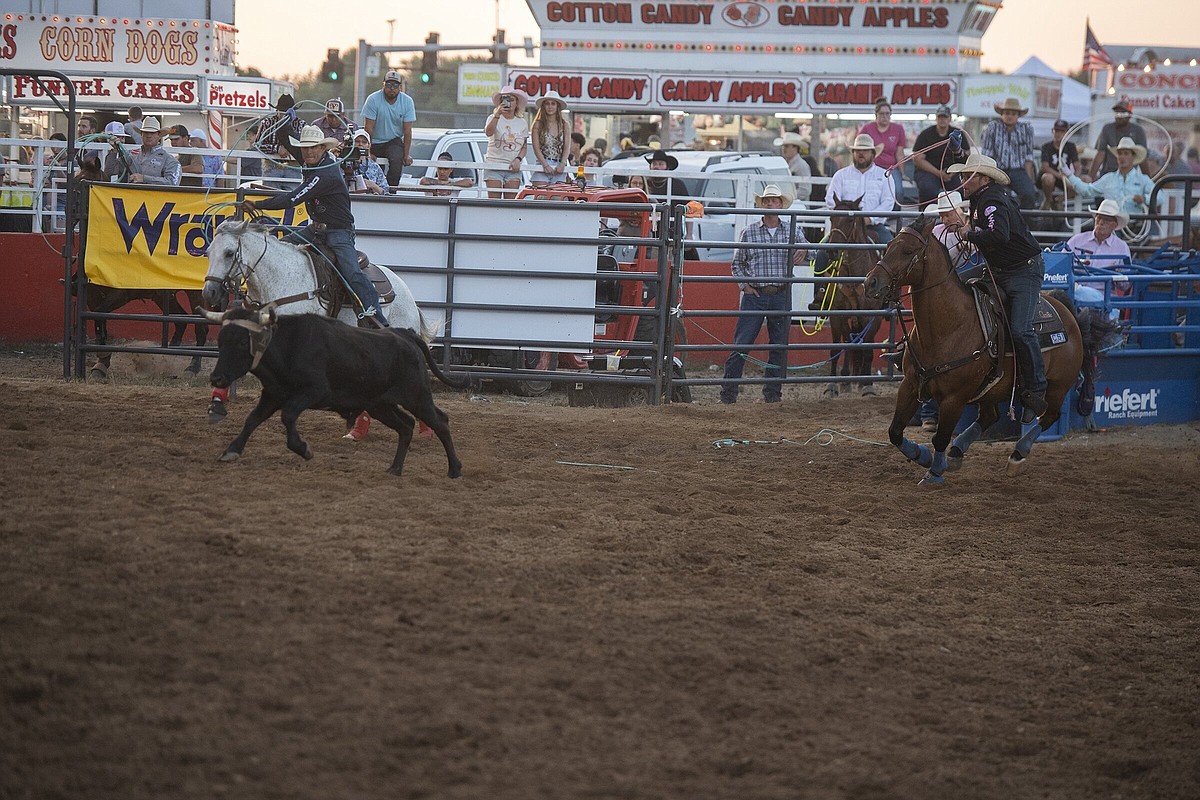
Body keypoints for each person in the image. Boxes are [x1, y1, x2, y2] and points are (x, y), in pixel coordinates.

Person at [239, 125, 389, 327]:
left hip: (338, 231)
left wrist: (258, 205)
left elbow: (293, 198)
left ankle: (373, 315)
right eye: (305, 148)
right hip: (315, 229)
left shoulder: (325, 173)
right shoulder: (312, 162)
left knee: (351, 272)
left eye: (313, 147)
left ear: (322, 149)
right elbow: (285, 136)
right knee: (279, 247)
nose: (308, 151)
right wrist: (285, 119)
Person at [945, 153, 1046, 423]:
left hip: (1023, 271)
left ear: (983, 178)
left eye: (968, 176)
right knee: (955, 288)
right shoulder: (983, 199)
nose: (963, 181)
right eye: (963, 176)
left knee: (1021, 330)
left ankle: (1036, 389)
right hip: (1002, 270)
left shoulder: (992, 201)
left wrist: (968, 234)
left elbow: (999, 235)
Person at [719, 184, 807, 405]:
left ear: (780, 204)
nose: (770, 204)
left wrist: (804, 249)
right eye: (767, 201)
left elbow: (809, 249)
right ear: (762, 205)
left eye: (774, 200)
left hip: (780, 293)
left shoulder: (793, 230)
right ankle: (729, 394)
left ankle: (772, 393)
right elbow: (737, 264)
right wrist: (745, 286)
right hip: (757, 294)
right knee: (742, 344)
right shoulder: (749, 231)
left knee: (777, 346)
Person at [825, 133, 897, 244]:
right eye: (858, 151)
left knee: (891, 252)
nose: (861, 153)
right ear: (853, 153)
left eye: (865, 150)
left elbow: (888, 202)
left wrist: (870, 219)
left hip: (874, 226)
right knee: (822, 255)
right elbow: (830, 199)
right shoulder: (841, 175)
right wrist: (845, 217)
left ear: (873, 154)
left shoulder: (884, 176)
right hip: (844, 228)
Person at [1064, 136, 1157, 223]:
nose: (1122, 157)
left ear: (1133, 157)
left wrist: (1144, 199)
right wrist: (1069, 175)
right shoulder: (1108, 178)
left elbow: (1160, 196)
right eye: (1120, 154)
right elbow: (1088, 190)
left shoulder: (1142, 179)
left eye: (1126, 153)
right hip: (1113, 225)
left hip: (1135, 223)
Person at [1068, 199, 1130, 319]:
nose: (1101, 222)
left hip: (1104, 297)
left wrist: (1118, 275)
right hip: (1075, 297)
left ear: (1115, 225)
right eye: (1099, 218)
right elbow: (1061, 267)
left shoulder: (1121, 247)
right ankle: (1111, 318)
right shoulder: (1077, 240)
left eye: (1106, 220)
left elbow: (1126, 284)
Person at [362, 70, 416, 190]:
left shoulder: (407, 102)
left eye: (395, 85)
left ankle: (391, 191)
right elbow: (368, 128)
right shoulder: (373, 99)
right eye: (389, 85)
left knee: (397, 160)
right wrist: (368, 151)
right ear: (383, 85)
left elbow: (407, 131)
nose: (392, 88)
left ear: (400, 87)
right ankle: (373, 193)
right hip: (374, 141)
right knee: (373, 168)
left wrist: (406, 155)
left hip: (393, 140)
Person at [980, 97, 1037, 209]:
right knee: (994, 196)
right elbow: (987, 154)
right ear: (1002, 114)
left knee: (1029, 194)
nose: (1009, 116)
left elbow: (1028, 156)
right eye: (1006, 113)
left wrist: (1029, 179)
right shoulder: (992, 127)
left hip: (1018, 171)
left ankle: (1023, 222)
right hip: (998, 170)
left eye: (1013, 113)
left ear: (1018, 116)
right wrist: (989, 175)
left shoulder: (1026, 129)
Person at [911, 104, 969, 207]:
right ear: (936, 118)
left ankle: (959, 215)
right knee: (928, 188)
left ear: (950, 118)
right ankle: (926, 216)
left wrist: (953, 173)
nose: (942, 120)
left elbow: (967, 155)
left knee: (962, 188)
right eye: (940, 117)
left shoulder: (958, 133)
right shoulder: (926, 134)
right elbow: (918, 159)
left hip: (954, 172)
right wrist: (938, 173)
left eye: (945, 117)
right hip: (930, 172)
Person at [483, 85, 530, 199]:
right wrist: (497, 115)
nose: (508, 103)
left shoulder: (522, 122)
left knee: (510, 203)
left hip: (512, 167)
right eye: (504, 100)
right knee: (494, 202)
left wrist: (518, 159)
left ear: (516, 103)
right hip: (494, 164)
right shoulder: (492, 118)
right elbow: (488, 132)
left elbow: (523, 146)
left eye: (511, 100)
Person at [246, 94, 303, 180]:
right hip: (272, 167)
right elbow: (258, 144)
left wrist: (289, 148)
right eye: (282, 112)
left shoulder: (300, 124)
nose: (284, 115)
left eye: (287, 112)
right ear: (277, 111)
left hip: (293, 166)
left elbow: (304, 145)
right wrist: (277, 149)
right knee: (271, 192)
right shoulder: (267, 123)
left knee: (292, 192)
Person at [858, 99, 906, 201]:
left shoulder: (898, 129)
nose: (885, 116)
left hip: (891, 168)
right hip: (871, 168)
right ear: (876, 115)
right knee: (870, 192)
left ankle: (895, 216)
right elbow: (859, 148)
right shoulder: (867, 128)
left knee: (898, 191)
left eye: (887, 113)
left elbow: (899, 153)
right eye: (882, 113)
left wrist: (903, 173)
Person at [1089, 102, 1148, 180]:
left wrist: (1148, 179)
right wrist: (1090, 177)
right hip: (1108, 173)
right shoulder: (1107, 129)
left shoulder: (1138, 131)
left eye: (1122, 113)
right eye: (1117, 112)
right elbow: (1100, 154)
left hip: (1129, 175)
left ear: (1129, 115)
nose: (1119, 116)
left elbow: (1142, 158)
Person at [126, 118, 181, 186]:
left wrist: (144, 179)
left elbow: (173, 182)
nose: (149, 136)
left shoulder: (169, 160)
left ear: (159, 135)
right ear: (141, 135)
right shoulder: (131, 155)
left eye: (152, 133)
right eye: (146, 132)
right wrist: (114, 152)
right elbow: (112, 172)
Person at [1039, 119, 1080, 210]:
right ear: (1052, 131)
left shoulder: (1071, 146)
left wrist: (1075, 179)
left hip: (1065, 177)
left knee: (1083, 181)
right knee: (1048, 178)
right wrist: (1061, 176)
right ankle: (1049, 200)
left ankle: (1059, 200)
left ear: (1067, 132)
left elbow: (1077, 165)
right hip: (1053, 176)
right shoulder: (1046, 147)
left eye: (1062, 131)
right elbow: (1044, 167)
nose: (1059, 134)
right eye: (1057, 130)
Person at [530, 90, 569, 185]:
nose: (550, 107)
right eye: (547, 104)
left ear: (557, 106)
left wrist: (563, 163)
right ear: (543, 106)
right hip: (542, 164)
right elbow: (536, 148)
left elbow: (567, 147)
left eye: (553, 104)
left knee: (558, 197)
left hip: (559, 165)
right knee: (541, 197)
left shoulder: (564, 125)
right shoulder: (537, 124)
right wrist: (545, 165)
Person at [344, 129, 388, 194]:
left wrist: (374, 186)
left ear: (369, 145)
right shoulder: (345, 164)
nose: (360, 144)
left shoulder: (375, 166)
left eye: (364, 142)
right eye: (357, 141)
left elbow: (386, 191)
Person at [773, 131, 812, 202]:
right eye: (783, 146)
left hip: (799, 207)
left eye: (787, 146)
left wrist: (787, 197)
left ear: (795, 148)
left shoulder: (801, 165)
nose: (783, 149)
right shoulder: (785, 163)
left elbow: (805, 190)